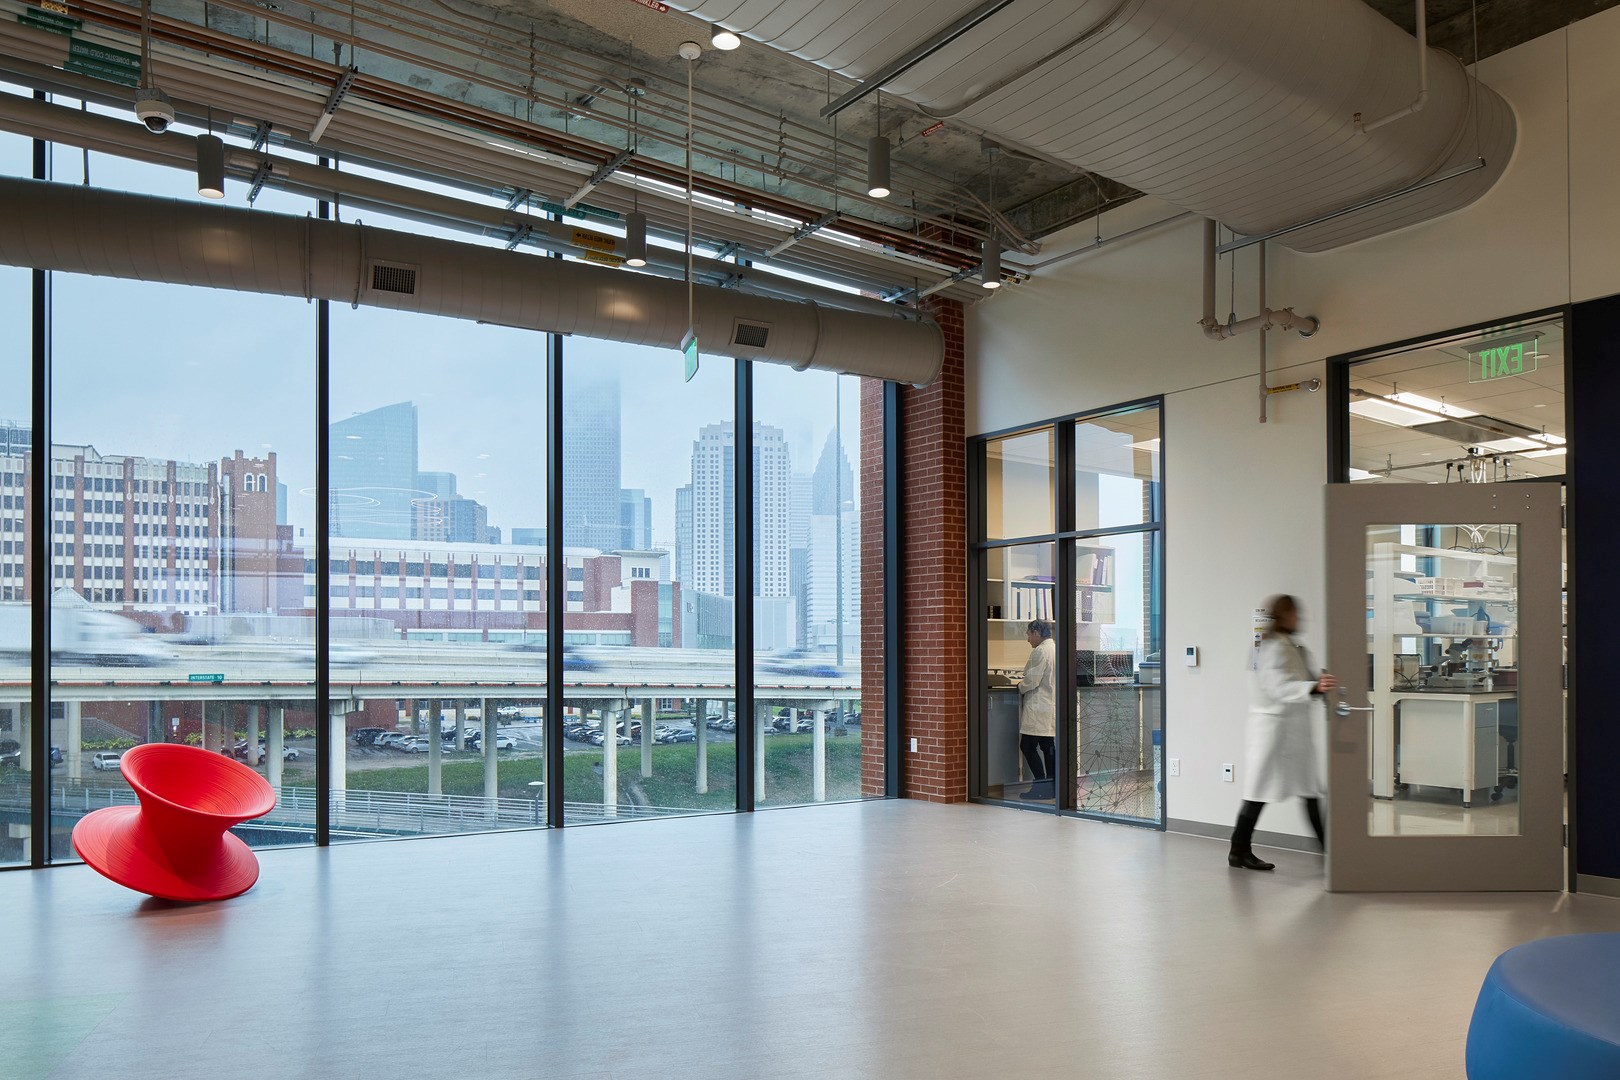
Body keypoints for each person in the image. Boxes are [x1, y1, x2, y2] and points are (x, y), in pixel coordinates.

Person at [1228, 594, 1337, 870]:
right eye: (1295, 613)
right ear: (1284, 615)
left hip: (1289, 732)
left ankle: (1240, 850)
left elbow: (1298, 680)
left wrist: (1316, 682)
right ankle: (1239, 850)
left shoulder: (1289, 645)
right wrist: (1312, 687)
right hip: (1274, 732)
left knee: (1306, 791)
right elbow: (1277, 686)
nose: (1299, 618)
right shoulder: (1272, 647)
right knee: (1260, 792)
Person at [1018, 619, 1056, 801]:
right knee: (1048, 747)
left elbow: (1031, 680)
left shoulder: (1041, 651)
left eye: (1028, 634)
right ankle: (1052, 786)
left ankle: (1041, 786)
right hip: (1049, 706)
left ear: (1036, 632)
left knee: (1027, 745)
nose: (1027, 639)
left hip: (1039, 706)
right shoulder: (1054, 648)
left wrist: (1019, 686)